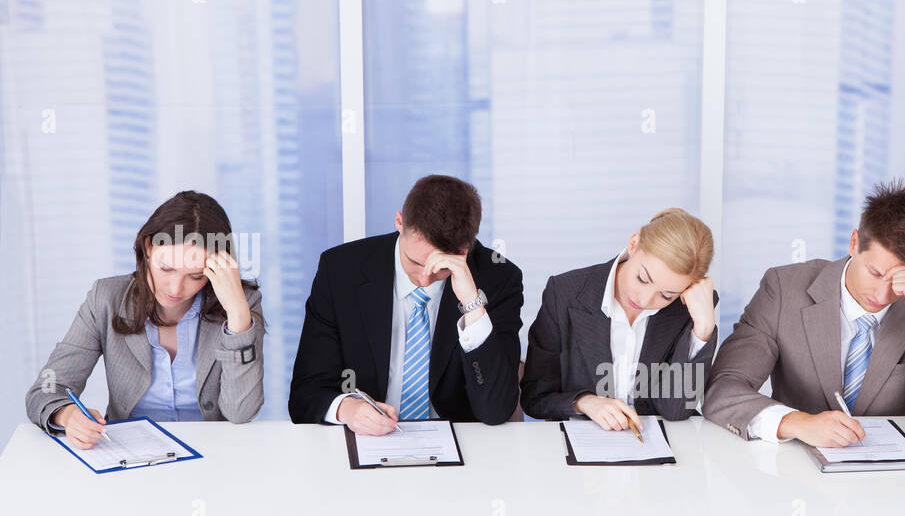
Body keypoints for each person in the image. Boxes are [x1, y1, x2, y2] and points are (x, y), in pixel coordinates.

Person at [703, 180, 905, 446]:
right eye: (875, 273)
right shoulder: (783, 290)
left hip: (891, 478)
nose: (883, 295)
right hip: (793, 470)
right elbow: (724, 391)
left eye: (899, 281)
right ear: (854, 243)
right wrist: (796, 422)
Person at [25, 191, 265, 448]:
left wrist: (239, 317)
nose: (175, 289)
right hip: (130, 456)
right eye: (166, 269)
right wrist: (68, 415)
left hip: (213, 453)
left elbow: (241, 411)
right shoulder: (106, 299)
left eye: (195, 276)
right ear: (149, 247)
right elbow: (48, 386)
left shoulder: (239, 304)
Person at [288, 175, 524, 431]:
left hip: (460, 444)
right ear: (399, 221)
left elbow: (496, 409)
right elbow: (305, 395)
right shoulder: (341, 271)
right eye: (415, 263)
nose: (424, 279)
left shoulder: (499, 279)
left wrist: (472, 304)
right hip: (366, 441)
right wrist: (346, 408)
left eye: (440, 269)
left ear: (466, 249)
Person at [521, 207, 718, 430]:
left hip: (657, 448)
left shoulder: (690, 309)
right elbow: (535, 398)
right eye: (642, 278)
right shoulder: (565, 293)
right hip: (581, 447)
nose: (644, 299)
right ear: (633, 244)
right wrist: (584, 403)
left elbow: (676, 410)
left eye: (665, 295)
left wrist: (702, 331)